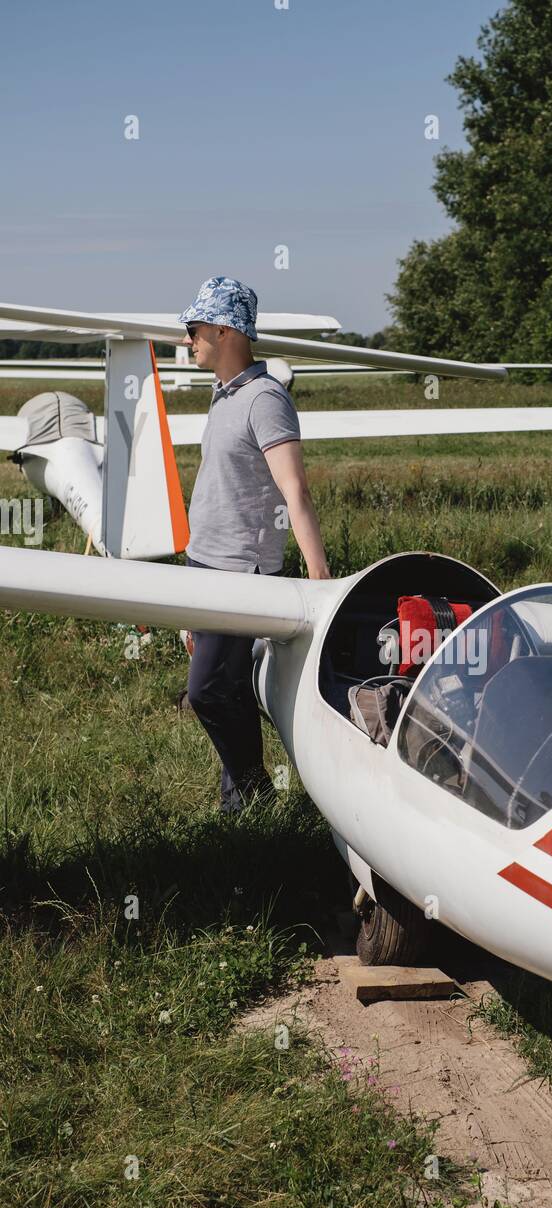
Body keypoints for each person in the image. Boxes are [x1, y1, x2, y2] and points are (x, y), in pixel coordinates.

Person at [178, 275, 331, 812]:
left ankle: (254, 794)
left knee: (208, 692)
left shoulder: (264, 400)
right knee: (229, 685)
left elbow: (296, 492)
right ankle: (237, 805)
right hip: (206, 564)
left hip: (240, 573)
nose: (188, 340)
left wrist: (320, 584)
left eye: (194, 329)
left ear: (224, 331)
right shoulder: (225, 396)